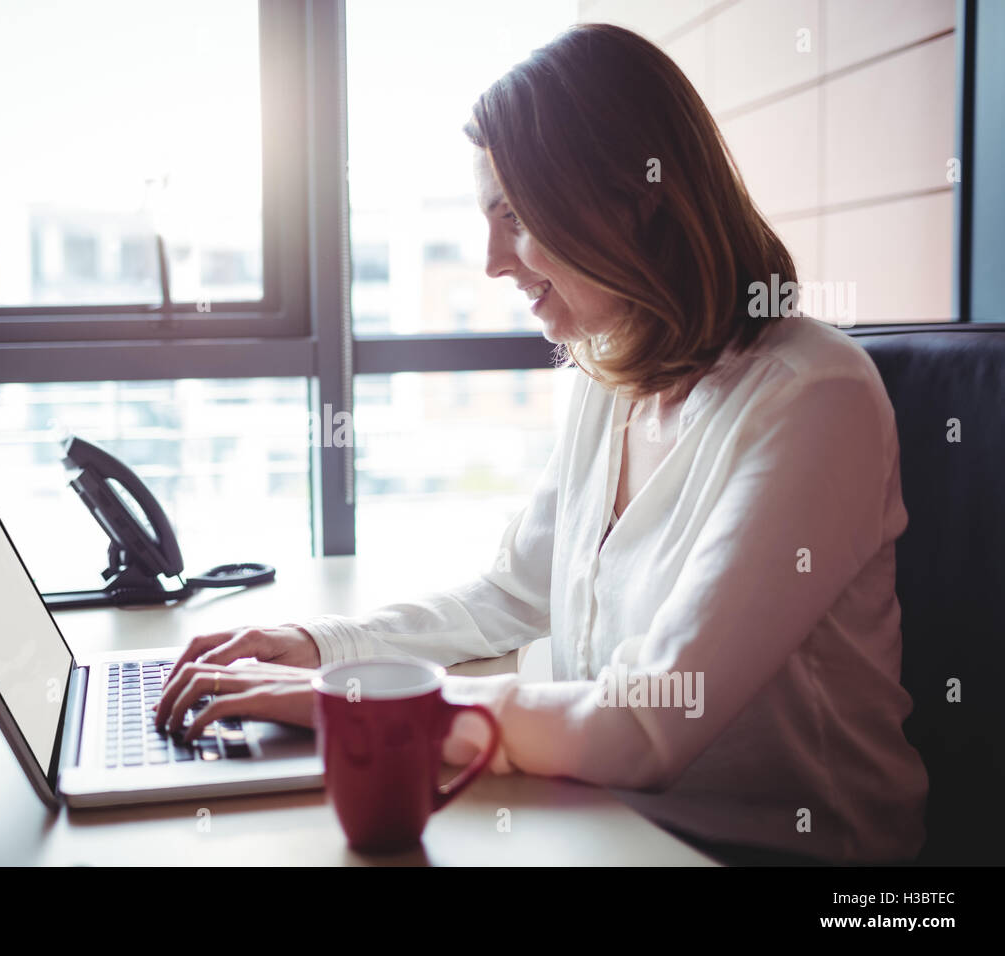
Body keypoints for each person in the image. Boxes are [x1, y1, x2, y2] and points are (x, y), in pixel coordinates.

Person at [153, 22, 928, 865]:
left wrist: (335, 698)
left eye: (514, 217)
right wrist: (322, 647)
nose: (490, 262)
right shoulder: (611, 377)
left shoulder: (814, 399)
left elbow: (643, 720)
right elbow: (510, 598)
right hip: (615, 828)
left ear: (637, 197)